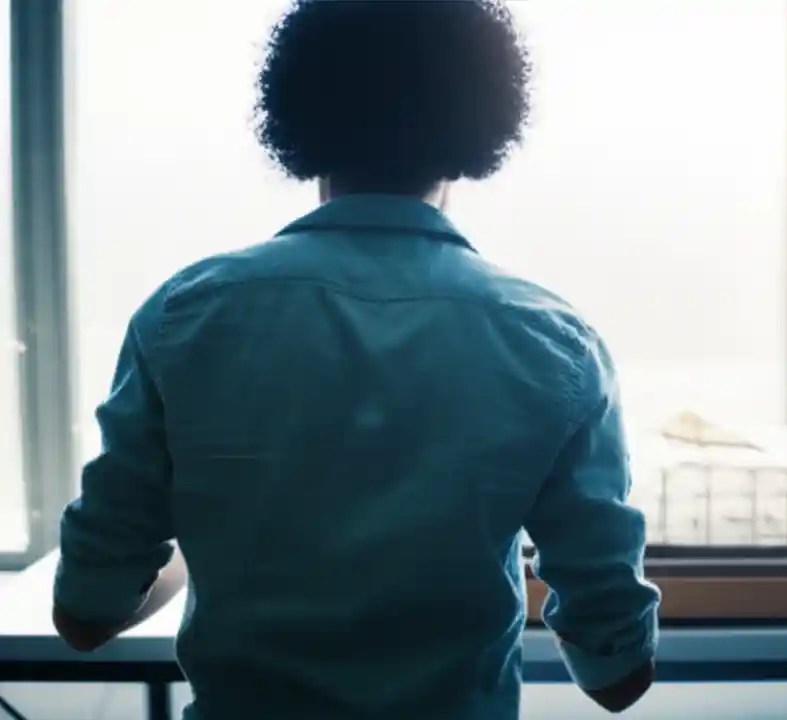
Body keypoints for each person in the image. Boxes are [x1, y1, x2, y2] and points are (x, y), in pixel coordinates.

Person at [50, 1, 660, 717]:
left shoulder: (185, 316)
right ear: (479, 123)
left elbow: (86, 617)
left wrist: (198, 551)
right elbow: (617, 679)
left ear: (300, 115)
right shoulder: (556, 345)